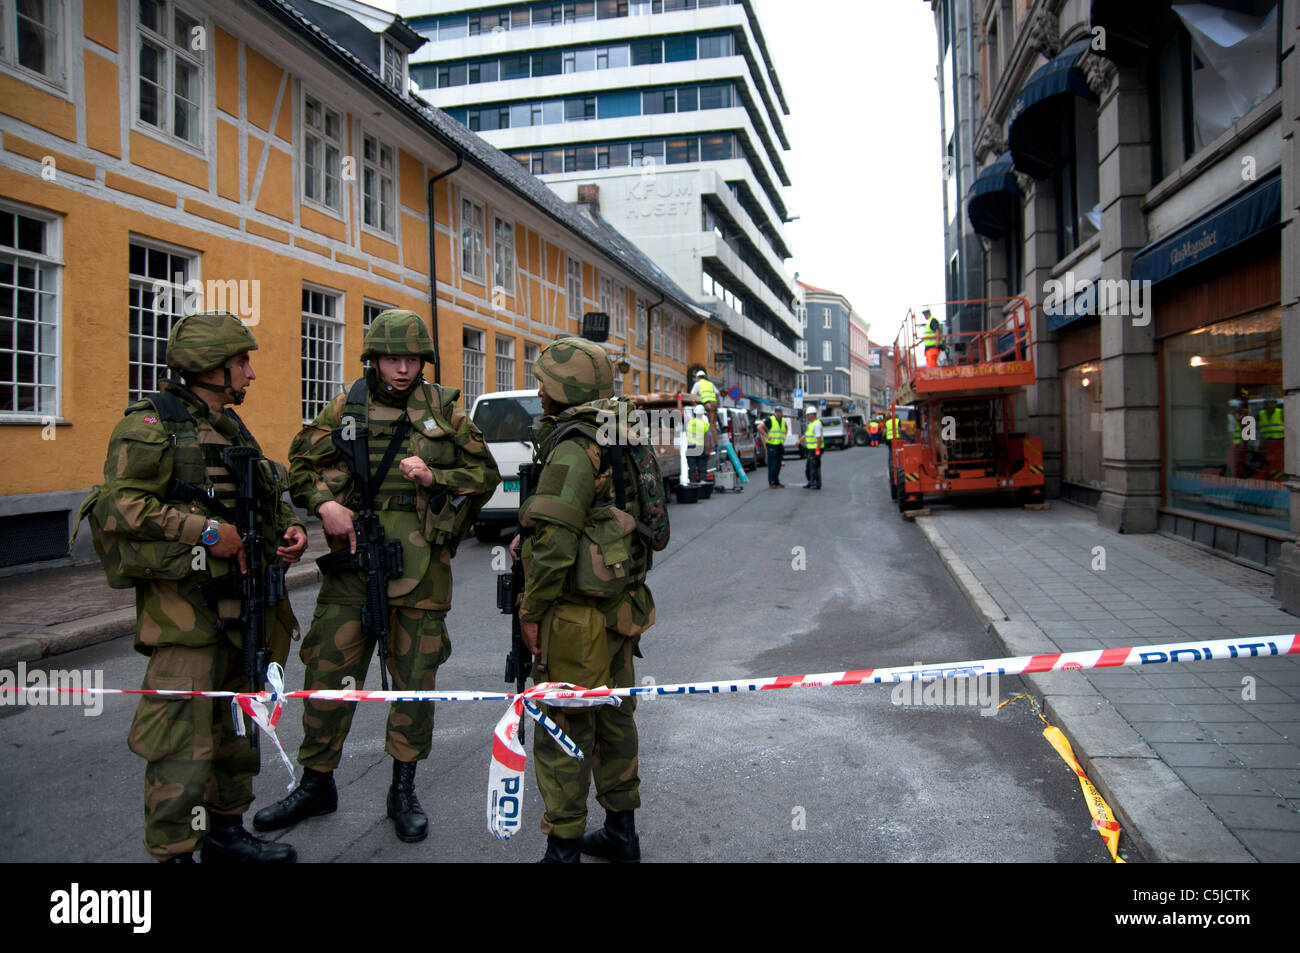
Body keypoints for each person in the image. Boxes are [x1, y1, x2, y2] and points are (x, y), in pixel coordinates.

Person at [253, 311, 499, 844]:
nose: (403, 368)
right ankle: (317, 782)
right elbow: (298, 465)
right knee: (327, 672)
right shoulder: (346, 406)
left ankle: (403, 788)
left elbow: (485, 476)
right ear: (373, 358)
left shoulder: (444, 410)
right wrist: (323, 506)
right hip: (353, 559)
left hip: (422, 568)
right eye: (393, 358)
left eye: (412, 359)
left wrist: (438, 477)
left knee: (415, 680)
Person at [92, 311, 308, 863]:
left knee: (237, 729)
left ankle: (226, 833)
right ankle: (174, 852)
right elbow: (120, 505)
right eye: (242, 362)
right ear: (213, 367)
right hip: (184, 615)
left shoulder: (232, 427)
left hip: (246, 605)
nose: (251, 374)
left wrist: (287, 527)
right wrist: (205, 531)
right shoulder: (150, 425)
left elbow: (264, 488)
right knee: (181, 743)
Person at [512, 337, 657, 863]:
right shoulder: (617, 429)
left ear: (559, 389)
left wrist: (531, 611)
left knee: (565, 725)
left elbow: (553, 545)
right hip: (619, 608)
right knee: (615, 719)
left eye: (544, 382)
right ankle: (622, 833)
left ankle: (564, 847)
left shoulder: (572, 446)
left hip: (574, 618)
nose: (539, 392)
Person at [757, 407, 787, 487]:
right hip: (772, 445)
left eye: (779, 412)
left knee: (778, 464)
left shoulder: (783, 421)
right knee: (772, 464)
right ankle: (772, 482)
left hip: (779, 444)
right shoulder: (770, 419)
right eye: (776, 412)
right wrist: (766, 435)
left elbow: (786, 429)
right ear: (774, 412)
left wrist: (784, 436)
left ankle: (776, 481)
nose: (778, 413)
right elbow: (759, 427)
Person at [690, 369, 719, 448]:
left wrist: (695, 405)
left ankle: (704, 442)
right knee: (713, 424)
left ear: (698, 377)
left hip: (707, 405)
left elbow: (692, 396)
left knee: (703, 422)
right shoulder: (710, 384)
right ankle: (716, 443)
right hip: (714, 404)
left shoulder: (698, 384)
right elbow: (718, 393)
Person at [799, 408, 824, 490]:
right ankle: (813, 482)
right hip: (811, 449)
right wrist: (799, 441)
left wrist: (817, 450)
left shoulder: (816, 424)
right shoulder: (811, 424)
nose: (807, 416)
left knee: (813, 467)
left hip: (815, 449)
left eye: (808, 415)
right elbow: (806, 435)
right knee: (811, 467)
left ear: (813, 414)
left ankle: (814, 483)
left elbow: (818, 438)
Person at [686, 404, 709, 484]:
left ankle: (693, 482)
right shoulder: (704, 421)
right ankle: (703, 481)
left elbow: (681, 412)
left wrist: (679, 399)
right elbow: (707, 435)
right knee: (701, 465)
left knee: (692, 466)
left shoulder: (689, 420)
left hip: (690, 446)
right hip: (700, 446)